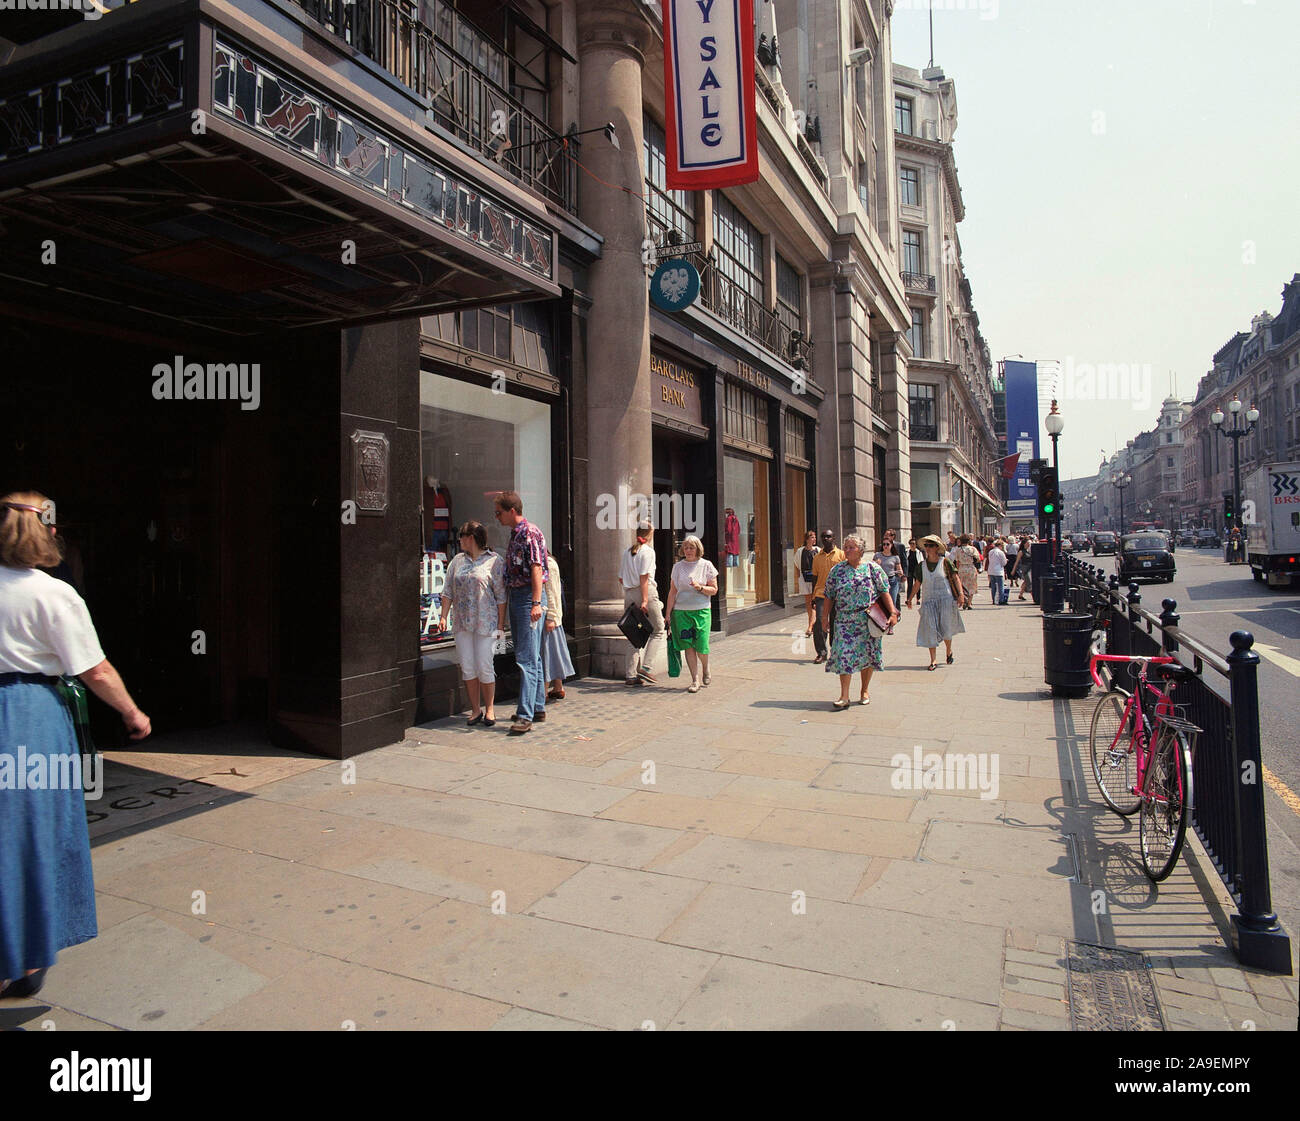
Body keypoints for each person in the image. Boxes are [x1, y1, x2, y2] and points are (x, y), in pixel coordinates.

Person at [1, 493, 151, 999]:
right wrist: (131, 712)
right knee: (31, 834)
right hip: (30, 718)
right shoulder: (53, 595)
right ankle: (22, 959)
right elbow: (95, 669)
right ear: (48, 532)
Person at [438, 520, 506, 727]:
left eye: (462, 536)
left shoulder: (494, 561)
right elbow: (448, 590)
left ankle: (490, 709)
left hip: (486, 622)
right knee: (468, 666)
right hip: (462, 622)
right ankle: (475, 709)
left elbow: (501, 595)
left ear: (471, 538)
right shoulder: (457, 561)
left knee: (485, 665)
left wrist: (501, 626)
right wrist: (443, 616)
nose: (459, 540)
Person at [493, 491, 548, 735]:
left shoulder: (529, 532)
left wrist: (536, 602)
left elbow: (536, 569)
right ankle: (536, 706)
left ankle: (525, 714)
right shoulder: (516, 534)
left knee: (526, 658)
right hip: (519, 597)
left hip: (527, 597)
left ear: (512, 511)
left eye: (499, 512)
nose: (496, 517)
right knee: (531, 655)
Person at [825, 534, 899, 710]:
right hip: (843, 620)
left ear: (860, 550)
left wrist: (893, 612)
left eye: (852, 547)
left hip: (867, 620)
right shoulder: (837, 571)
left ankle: (864, 691)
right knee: (844, 655)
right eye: (846, 547)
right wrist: (823, 618)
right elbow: (828, 595)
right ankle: (844, 696)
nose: (848, 550)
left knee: (868, 656)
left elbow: (884, 591)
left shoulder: (872, 568)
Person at [664, 535, 718, 693]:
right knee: (688, 645)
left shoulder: (706, 565)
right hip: (681, 613)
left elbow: (714, 590)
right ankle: (695, 680)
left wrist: (700, 587)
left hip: (701, 611)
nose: (688, 550)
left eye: (691, 547)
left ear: (698, 549)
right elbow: (673, 592)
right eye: (686, 547)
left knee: (701, 645)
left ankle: (706, 668)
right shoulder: (678, 567)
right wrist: (668, 614)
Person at [908, 533, 967, 669]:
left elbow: (955, 578)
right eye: (926, 545)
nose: (928, 548)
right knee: (930, 629)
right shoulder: (921, 566)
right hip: (928, 601)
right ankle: (933, 660)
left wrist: (961, 595)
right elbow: (917, 583)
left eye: (931, 545)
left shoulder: (945, 562)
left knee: (946, 627)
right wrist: (910, 598)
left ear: (937, 548)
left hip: (945, 600)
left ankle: (948, 650)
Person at [618, 520, 666, 686]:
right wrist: (645, 599)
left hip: (629, 593)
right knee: (659, 629)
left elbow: (621, 578)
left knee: (633, 634)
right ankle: (646, 667)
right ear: (650, 534)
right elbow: (644, 577)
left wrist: (630, 592)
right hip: (645, 592)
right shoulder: (648, 551)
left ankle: (630, 675)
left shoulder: (627, 552)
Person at [542, 551, 575, 701]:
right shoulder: (547, 562)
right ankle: (558, 686)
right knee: (553, 652)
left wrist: (551, 616)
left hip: (549, 616)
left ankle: (543, 692)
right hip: (551, 616)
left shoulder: (549, 564)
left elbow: (553, 591)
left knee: (547, 653)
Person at [810, 529, 845, 665]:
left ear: (834, 538)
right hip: (821, 595)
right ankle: (821, 653)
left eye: (829, 536)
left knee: (836, 623)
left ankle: (835, 651)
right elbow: (814, 578)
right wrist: (813, 596)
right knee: (819, 623)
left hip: (838, 595)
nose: (826, 539)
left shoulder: (841, 555)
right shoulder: (817, 557)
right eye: (823, 537)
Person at [871, 529, 904, 611]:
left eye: (887, 544)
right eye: (884, 544)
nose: (885, 546)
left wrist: (901, 573)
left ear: (891, 545)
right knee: (880, 602)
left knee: (891, 603)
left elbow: (900, 570)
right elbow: (871, 567)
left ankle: (892, 618)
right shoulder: (877, 555)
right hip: (880, 581)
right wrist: (876, 564)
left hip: (892, 581)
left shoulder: (895, 557)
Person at [797, 530, 819, 636]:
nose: (814, 539)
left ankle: (810, 626)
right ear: (807, 539)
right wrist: (799, 578)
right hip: (805, 580)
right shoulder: (800, 551)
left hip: (816, 580)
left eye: (815, 537)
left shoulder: (818, 550)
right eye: (812, 537)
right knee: (808, 603)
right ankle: (811, 624)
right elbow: (797, 564)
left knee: (813, 603)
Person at [949, 533, 981, 608]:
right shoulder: (973, 549)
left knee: (962, 586)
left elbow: (957, 561)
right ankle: (969, 603)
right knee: (971, 586)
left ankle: (964, 601)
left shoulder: (958, 550)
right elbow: (978, 559)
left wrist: (957, 570)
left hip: (961, 568)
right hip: (971, 568)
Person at [985, 537, 1008, 605]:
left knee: (993, 587)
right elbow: (1004, 562)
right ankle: (1001, 599)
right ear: (1000, 546)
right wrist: (1006, 561)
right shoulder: (1000, 552)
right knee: (1000, 586)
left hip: (991, 570)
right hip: (998, 571)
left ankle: (994, 600)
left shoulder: (991, 552)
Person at [1010, 535, 1032, 601]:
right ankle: (1033, 595)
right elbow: (1016, 562)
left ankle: (1021, 594)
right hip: (1025, 568)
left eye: (1029, 543)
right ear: (1024, 544)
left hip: (1029, 568)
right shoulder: (1021, 552)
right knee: (1029, 582)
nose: (1029, 544)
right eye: (1028, 543)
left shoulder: (1028, 551)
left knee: (1026, 582)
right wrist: (1013, 570)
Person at [905, 536, 922, 606]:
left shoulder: (919, 552)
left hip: (917, 571)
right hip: (910, 571)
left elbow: (921, 561)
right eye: (911, 543)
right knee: (909, 585)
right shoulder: (907, 552)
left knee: (917, 585)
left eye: (914, 543)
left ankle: (918, 599)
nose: (912, 545)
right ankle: (908, 599)